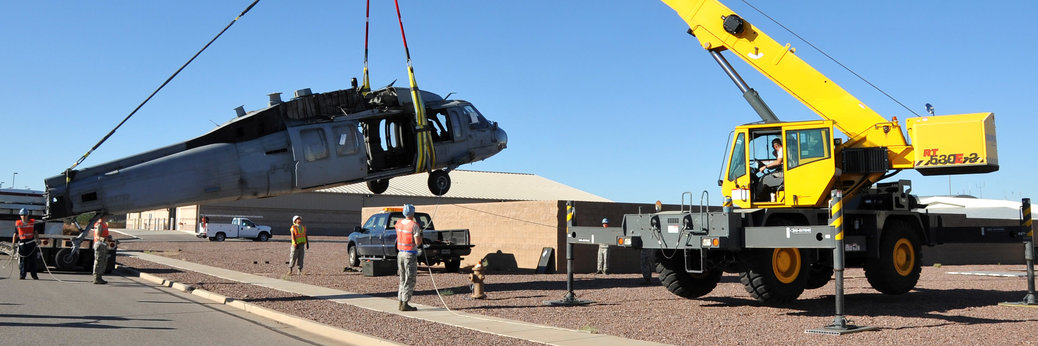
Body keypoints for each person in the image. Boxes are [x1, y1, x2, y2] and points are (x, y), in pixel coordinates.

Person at [395, 204, 423, 311]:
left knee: (402, 278)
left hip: (400, 253)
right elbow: (417, 242)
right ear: (413, 213)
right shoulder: (414, 225)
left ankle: (400, 301)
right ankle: (405, 303)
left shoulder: (399, 223)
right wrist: (420, 236)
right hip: (409, 255)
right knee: (410, 278)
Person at [12, 208, 39, 280]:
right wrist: (13, 244)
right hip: (22, 245)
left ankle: (34, 275)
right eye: (22, 215)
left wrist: (37, 240)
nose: (23, 216)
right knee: (23, 260)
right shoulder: (18, 223)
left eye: (25, 215)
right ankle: (22, 275)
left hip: (31, 244)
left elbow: (36, 232)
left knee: (33, 260)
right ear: (20, 216)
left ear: (27, 215)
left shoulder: (32, 223)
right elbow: (15, 234)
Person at [92, 216, 114, 284]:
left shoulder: (104, 224)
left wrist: (109, 238)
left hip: (104, 245)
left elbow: (104, 235)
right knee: (99, 261)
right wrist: (104, 239)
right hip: (99, 245)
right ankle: (96, 278)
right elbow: (97, 236)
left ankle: (99, 277)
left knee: (103, 262)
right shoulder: (99, 225)